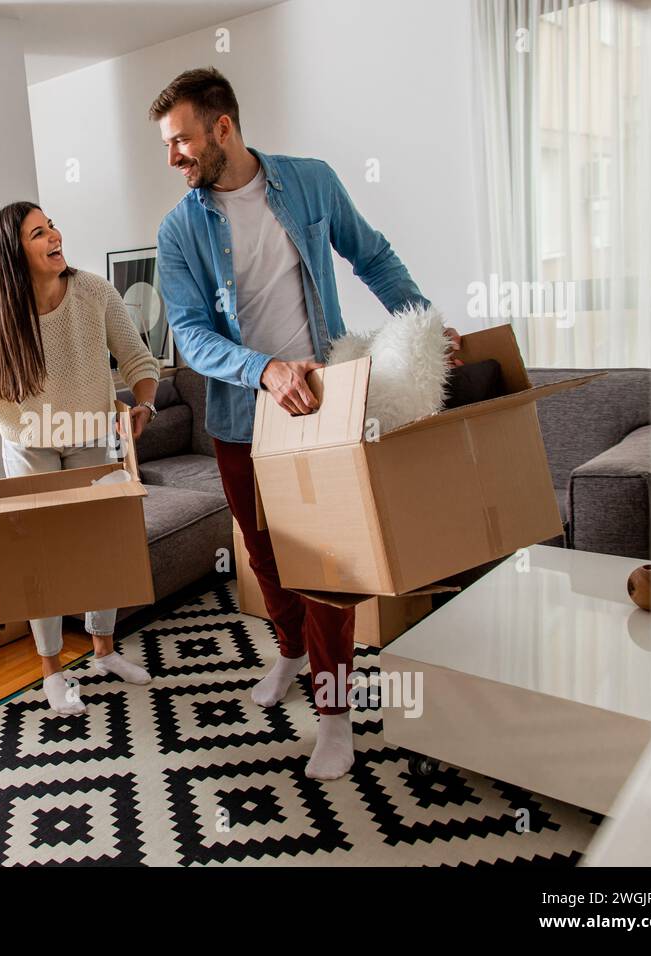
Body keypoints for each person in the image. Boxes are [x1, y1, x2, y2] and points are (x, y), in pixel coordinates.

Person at [149, 67, 462, 780]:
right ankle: (289, 650)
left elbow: (371, 256)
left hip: (324, 406)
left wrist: (422, 321)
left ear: (223, 128)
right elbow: (190, 335)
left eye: (182, 142)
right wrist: (265, 369)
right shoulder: (178, 230)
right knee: (265, 556)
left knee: (326, 568)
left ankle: (333, 716)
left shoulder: (310, 182)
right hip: (240, 413)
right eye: (168, 145)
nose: (173, 158)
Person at [0, 200, 161, 714]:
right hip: (29, 446)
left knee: (99, 546)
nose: (54, 237)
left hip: (89, 434)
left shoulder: (94, 293)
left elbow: (137, 357)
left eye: (52, 227)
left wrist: (147, 401)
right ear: (13, 253)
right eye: (38, 233)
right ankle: (51, 671)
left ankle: (105, 650)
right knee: (40, 558)